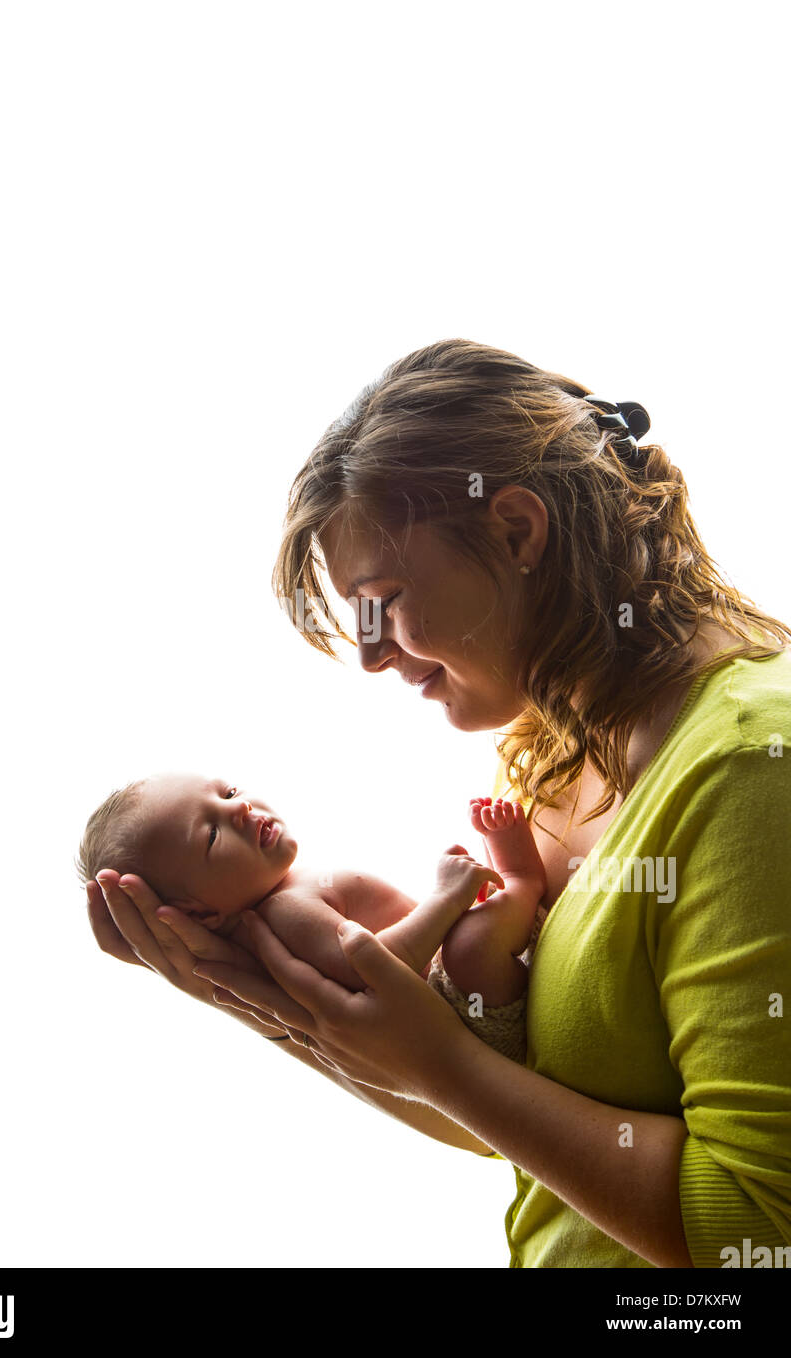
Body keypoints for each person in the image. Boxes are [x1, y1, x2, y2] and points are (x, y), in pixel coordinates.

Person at [87, 338, 791, 1268]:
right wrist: (267, 996)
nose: (371, 654)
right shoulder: (546, 756)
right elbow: (526, 1120)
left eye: (381, 600)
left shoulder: (752, 767)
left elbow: (756, 1233)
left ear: (515, 531)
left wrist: (440, 1063)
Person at [78, 771, 546, 1059]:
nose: (239, 809)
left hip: (464, 998)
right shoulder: (284, 912)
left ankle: (513, 893)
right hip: (467, 1022)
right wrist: (445, 899)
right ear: (199, 913)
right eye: (211, 836)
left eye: (227, 791)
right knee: (470, 945)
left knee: (470, 935)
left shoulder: (290, 891)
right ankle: (522, 877)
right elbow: (378, 973)